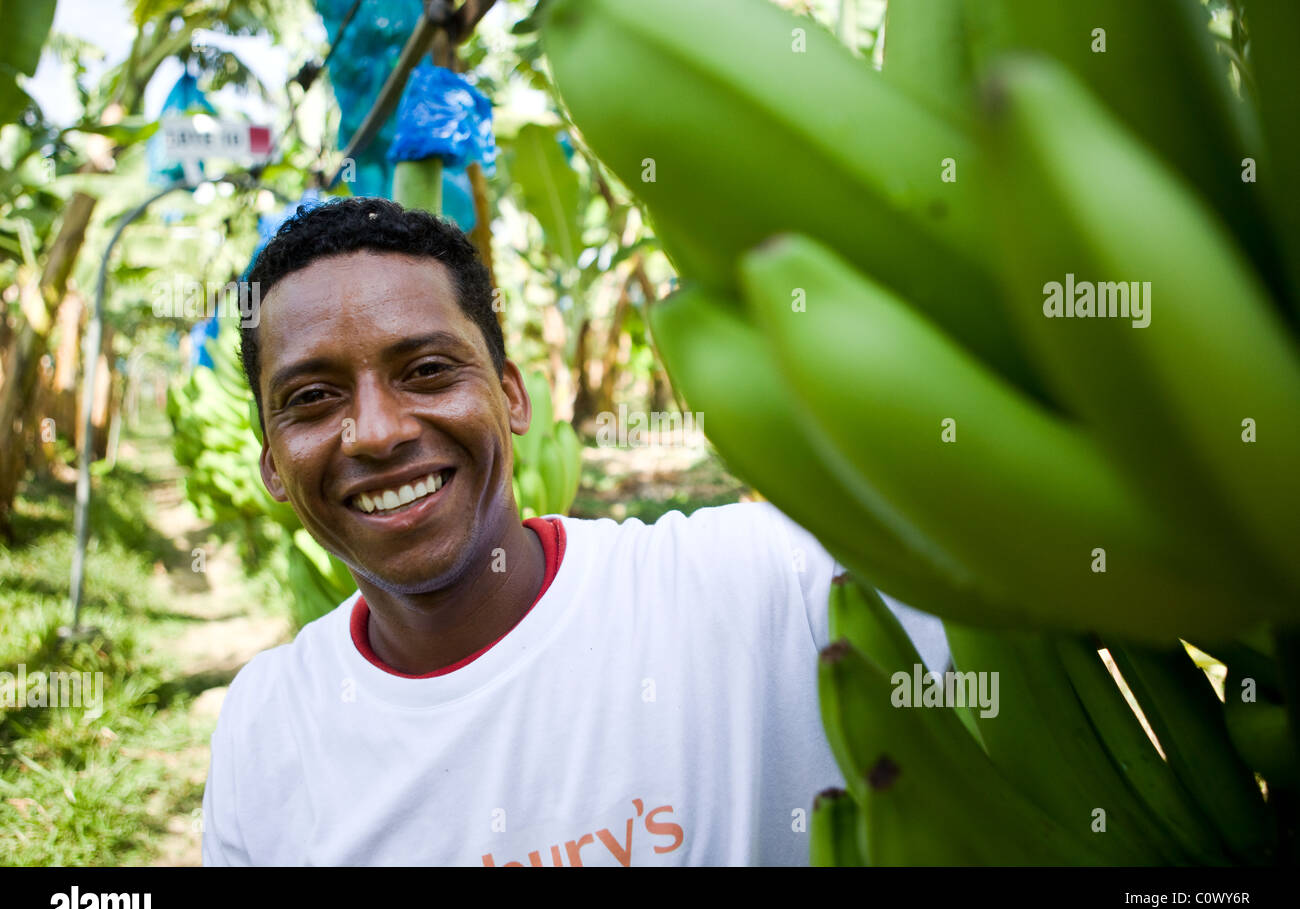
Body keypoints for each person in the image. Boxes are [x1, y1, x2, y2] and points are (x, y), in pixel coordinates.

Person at [200, 196, 949, 866]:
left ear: (514, 397)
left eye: (427, 370)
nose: (375, 432)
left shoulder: (760, 584)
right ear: (273, 463)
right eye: (314, 397)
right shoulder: (266, 729)